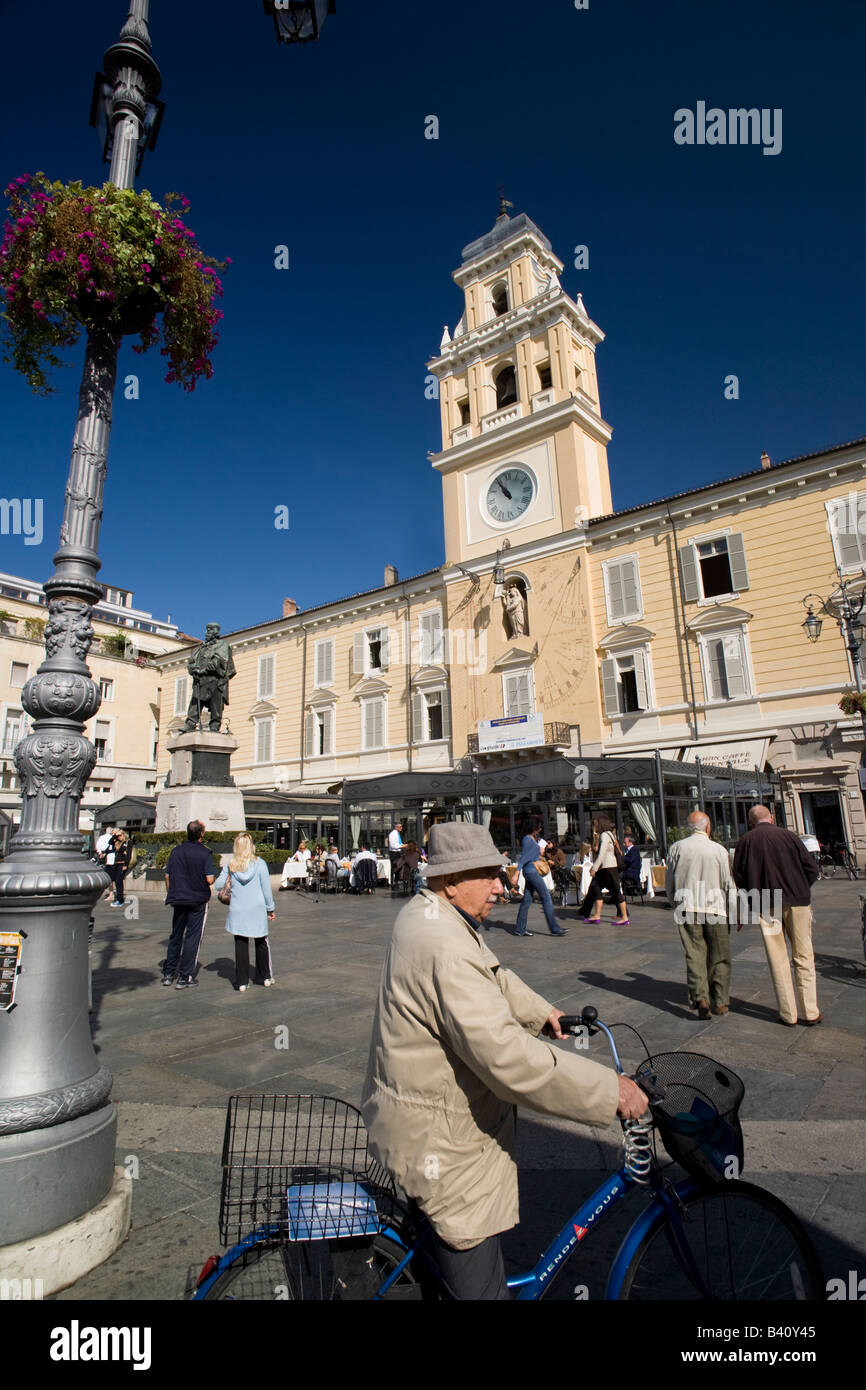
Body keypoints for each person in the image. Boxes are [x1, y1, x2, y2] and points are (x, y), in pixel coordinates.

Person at [361, 822, 647, 1300]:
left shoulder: (436, 915)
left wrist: (545, 1013)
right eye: (488, 875)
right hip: (445, 1149)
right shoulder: (444, 945)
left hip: (417, 1118)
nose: (502, 885)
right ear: (451, 880)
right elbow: (508, 1059)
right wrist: (609, 1090)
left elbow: (493, 975)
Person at [733, 805, 821, 1027]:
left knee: (778, 957)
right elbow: (811, 869)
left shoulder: (745, 841)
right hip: (797, 899)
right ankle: (810, 1011)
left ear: (751, 822)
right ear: (770, 818)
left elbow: (740, 877)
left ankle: (788, 1013)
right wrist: (801, 887)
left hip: (766, 903)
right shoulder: (789, 835)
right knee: (804, 955)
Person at [666, 811, 733, 1019]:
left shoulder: (677, 848)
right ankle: (720, 1001)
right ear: (708, 826)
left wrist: (673, 901)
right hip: (715, 908)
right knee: (719, 955)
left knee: (694, 953)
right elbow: (727, 882)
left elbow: (669, 881)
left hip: (687, 906)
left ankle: (700, 997)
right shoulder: (719, 850)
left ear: (689, 827)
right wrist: (734, 909)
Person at [213, 833, 276, 992]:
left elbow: (219, 885)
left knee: (240, 943)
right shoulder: (259, 863)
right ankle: (264, 977)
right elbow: (266, 889)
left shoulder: (231, 864)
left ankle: (241, 981)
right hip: (257, 907)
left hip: (238, 908)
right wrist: (270, 908)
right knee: (261, 941)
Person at [163, 821, 215, 989]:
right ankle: (185, 976)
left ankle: (169, 973)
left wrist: (172, 892)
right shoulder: (205, 853)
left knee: (176, 935)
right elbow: (209, 879)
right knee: (193, 937)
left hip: (179, 898)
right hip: (197, 899)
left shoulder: (176, 851)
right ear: (201, 834)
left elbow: (167, 876)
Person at [514, 826, 567, 937]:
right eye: (538, 827)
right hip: (532, 871)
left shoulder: (531, 838)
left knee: (527, 900)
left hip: (531, 871)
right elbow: (524, 857)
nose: (540, 829)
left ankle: (520, 929)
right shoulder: (528, 839)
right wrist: (516, 873)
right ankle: (554, 928)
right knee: (546, 897)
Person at [583, 816, 629, 925]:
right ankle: (597, 915)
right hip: (605, 868)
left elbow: (602, 853)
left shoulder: (605, 835)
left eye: (596, 824)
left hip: (609, 868)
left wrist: (594, 868)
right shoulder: (608, 835)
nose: (595, 826)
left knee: (616, 891)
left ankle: (625, 917)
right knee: (596, 887)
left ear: (601, 824)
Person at [106, 828, 132, 907]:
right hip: (115, 863)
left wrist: (125, 865)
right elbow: (110, 842)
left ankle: (120, 899)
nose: (119, 837)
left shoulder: (128, 842)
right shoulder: (117, 842)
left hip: (122, 864)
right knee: (115, 881)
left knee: (118, 881)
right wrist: (114, 836)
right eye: (118, 836)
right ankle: (118, 898)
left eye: (120, 835)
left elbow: (128, 855)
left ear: (123, 834)